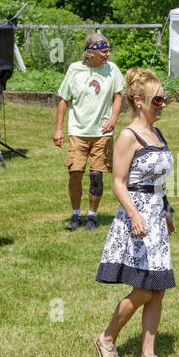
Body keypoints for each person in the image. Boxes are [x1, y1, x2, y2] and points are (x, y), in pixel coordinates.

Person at [94, 68, 176, 357]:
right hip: (137, 219)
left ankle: (149, 354)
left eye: (164, 99)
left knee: (158, 290)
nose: (163, 104)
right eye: (157, 100)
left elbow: (158, 182)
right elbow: (118, 182)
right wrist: (134, 214)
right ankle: (106, 337)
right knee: (143, 287)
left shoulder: (157, 134)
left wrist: (167, 212)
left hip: (156, 216)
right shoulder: (128, 136)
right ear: (139, 101)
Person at [54, 32, 123, 231]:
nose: (107, 54)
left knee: (96, 175)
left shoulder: (112, 69)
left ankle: (92, 216)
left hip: (102, 132)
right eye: (103, 51)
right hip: (78, 131)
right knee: (75, 173)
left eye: (108, 50)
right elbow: (63, 100)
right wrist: (58, 129)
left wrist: (113, 119)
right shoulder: (75, 70)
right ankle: (76, 215)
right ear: (91, 52)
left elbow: (118, 96)